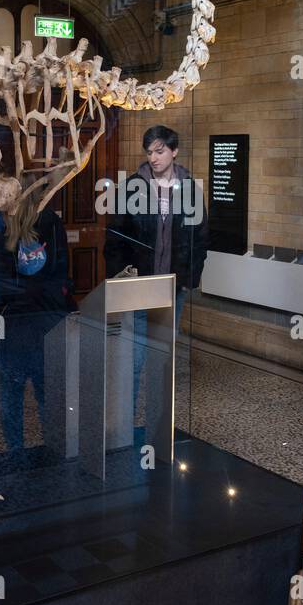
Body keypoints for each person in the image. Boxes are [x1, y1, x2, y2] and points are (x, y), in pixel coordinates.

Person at [102, 124, 209, 408]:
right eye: (149, 152)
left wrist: (189, 278)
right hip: (140, 284)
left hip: (172, 286)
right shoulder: (131, 188)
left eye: (160, 151)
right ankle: (127, 410)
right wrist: (122, 274)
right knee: (135, 353)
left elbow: (199, 238)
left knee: (162, 352)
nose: (154, 158)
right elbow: (115, 235)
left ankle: (159, 413)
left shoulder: (190, 190)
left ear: (174, 151)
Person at [0, 194, 74, 451]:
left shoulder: (40, 222)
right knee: (32, 392)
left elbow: (57, 271)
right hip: (29, 321)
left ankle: (26, 451)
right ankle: (42, 449)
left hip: (26, 320)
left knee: (19, 393)